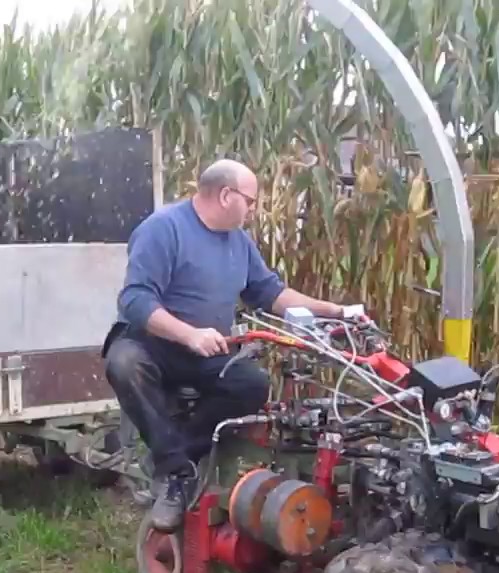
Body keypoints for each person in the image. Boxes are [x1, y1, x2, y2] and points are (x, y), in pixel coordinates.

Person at [103, 158, 349, 532]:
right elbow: (135, 301)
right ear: (225, 195)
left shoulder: (239, 243)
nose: (253, 210)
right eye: (250, 201)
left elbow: (270, 293)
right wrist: (189, 334)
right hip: (156, 344)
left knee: (251, 385)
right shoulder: (164, 229)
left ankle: (174, 455)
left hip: (207, 350)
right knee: (124, 363)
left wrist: (333, 311)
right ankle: (176, 476)